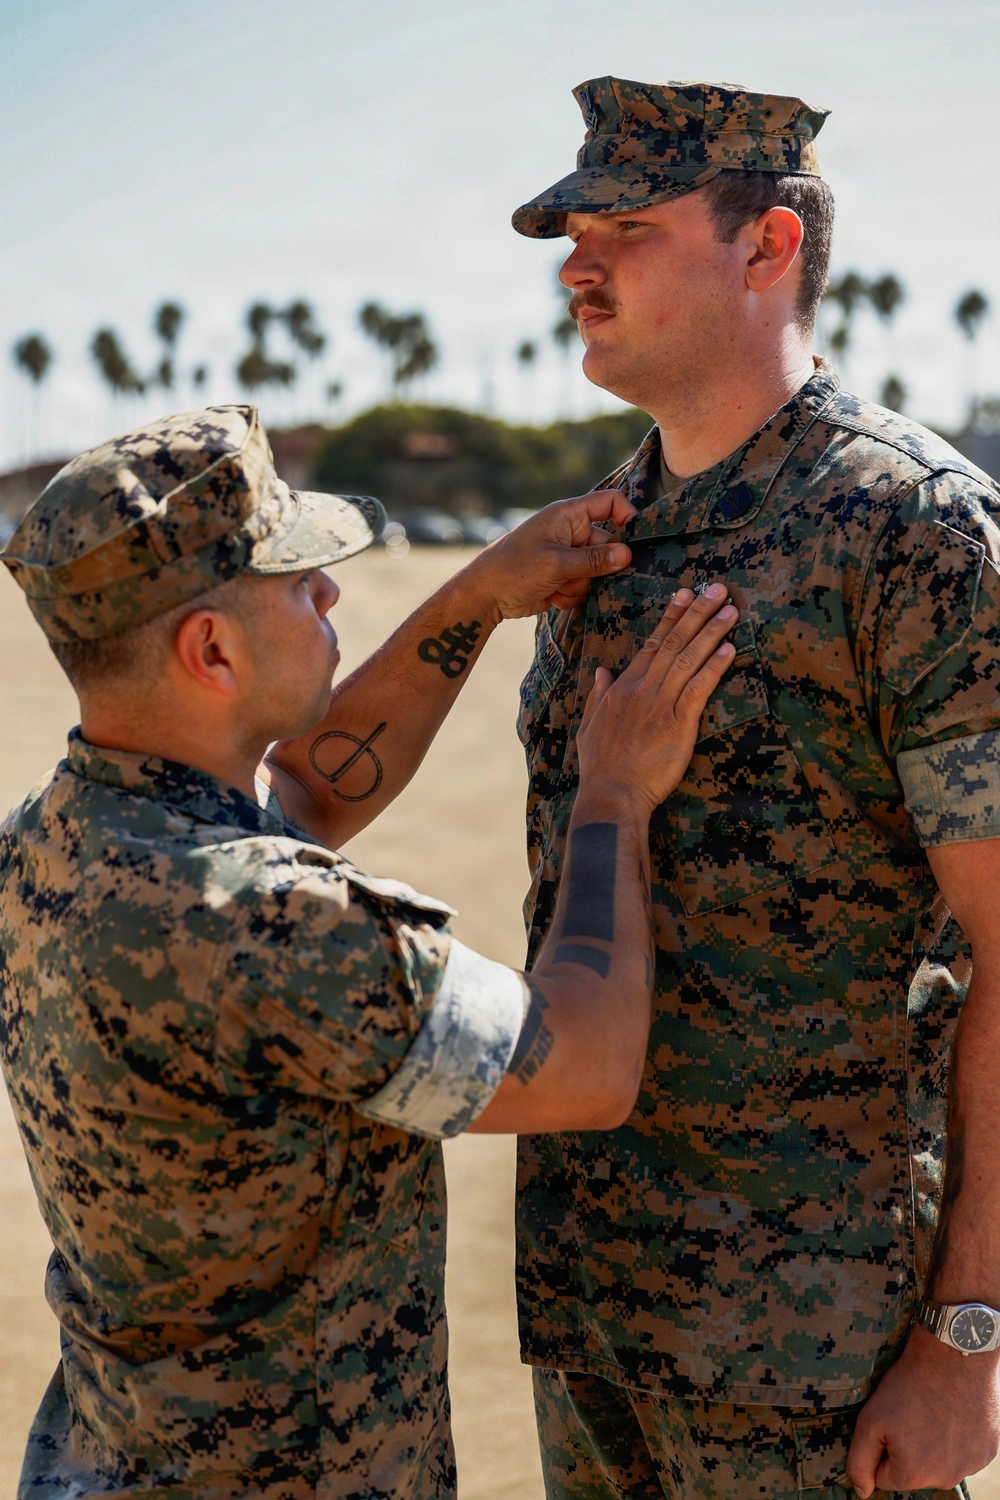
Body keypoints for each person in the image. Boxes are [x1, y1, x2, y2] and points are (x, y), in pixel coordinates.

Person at [0, 404, 738, 1500]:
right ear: (211, 650)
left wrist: (478, 596)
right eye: (298, 581)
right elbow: (583, 1064)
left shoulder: (50, 836)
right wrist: (614, 796)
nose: (330, 593)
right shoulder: (275, 923)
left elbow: (302, 792)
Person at [511, 76, 1000, 1500]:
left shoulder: (910, 531)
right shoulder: (600, 542)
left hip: (818, 1354)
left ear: (768, 245)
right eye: (572, 235)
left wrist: (968, 1335)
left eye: (628, 229)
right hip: (593, 1318)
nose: (578, 266)